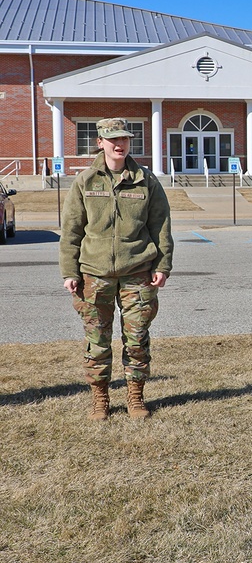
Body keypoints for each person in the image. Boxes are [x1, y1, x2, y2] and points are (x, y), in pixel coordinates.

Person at [59, 117, 173, 420]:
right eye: (112, 139)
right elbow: (71, 230)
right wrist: (70, 272)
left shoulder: (146, 181)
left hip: (138, 271)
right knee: (97, 339)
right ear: (100, 142)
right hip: (94, 274)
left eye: (124, 139)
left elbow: (160, 226)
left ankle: (135, 396)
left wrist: (162, 264)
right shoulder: (85, 181)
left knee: (136, 339)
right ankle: (101, 398)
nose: (119, 144)